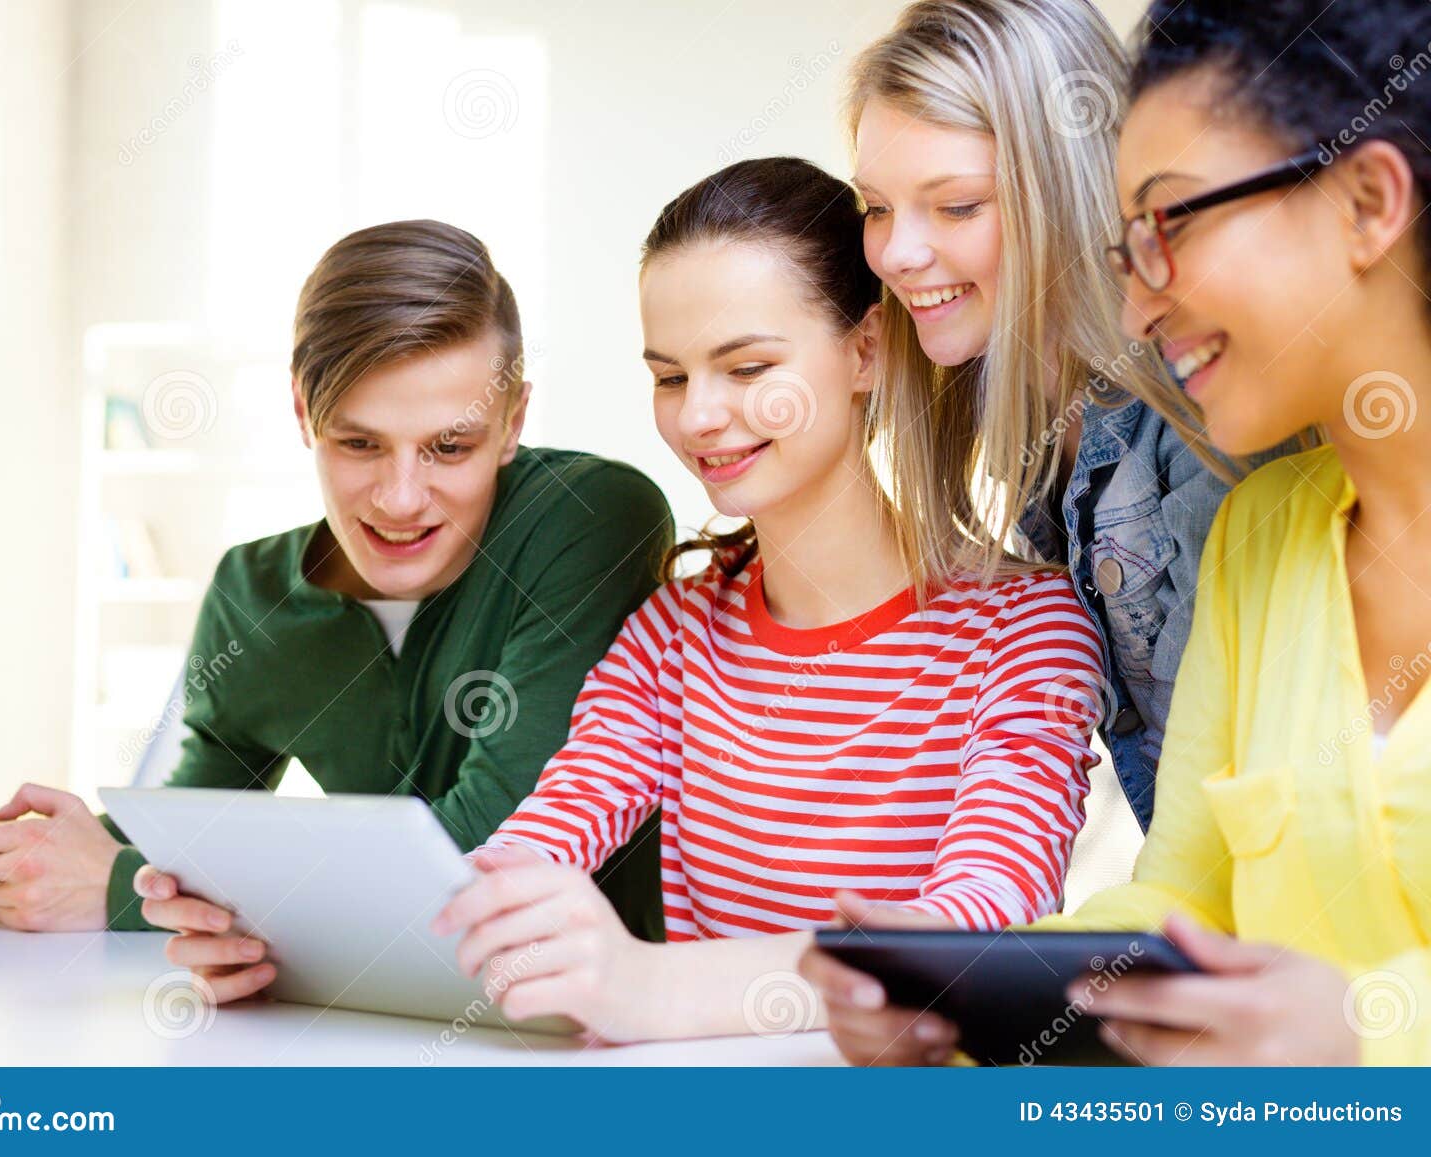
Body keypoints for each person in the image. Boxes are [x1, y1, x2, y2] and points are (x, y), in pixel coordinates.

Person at [804, 0, 1431, 1066]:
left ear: (1368, 203)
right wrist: (973, 992)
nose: (1136, 306)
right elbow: (1181, 896)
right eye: (1130, 240)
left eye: (1172, 223)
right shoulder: (1264, 532)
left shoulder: (1206, 467)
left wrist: (1363, 1028)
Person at [385, 157, 1108, 1043]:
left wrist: (652, 985)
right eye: (670, 377)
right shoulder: (671, 638)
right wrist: (284, 926)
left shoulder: (1025, 630)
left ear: (867, 349)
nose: (698, 417)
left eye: (747, 366)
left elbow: (976, 933)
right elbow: (535, 843)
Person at [0, 221, 672, 965]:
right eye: (359, 443)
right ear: (303, 412)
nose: (400, 498)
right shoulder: (253, 591)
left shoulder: (591, 520)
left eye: (449, 447)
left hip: (586, 1035)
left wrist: (117, 886)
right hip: (366, 1023)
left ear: (513, 421)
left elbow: (486, 849)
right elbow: (194, 829)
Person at [848, 0, 1291, 830]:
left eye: (957, 206)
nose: (897, 253)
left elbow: (1248, 808)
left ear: (1065, 189)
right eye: (876, 207)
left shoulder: (1207, 418)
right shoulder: (1031, 424)